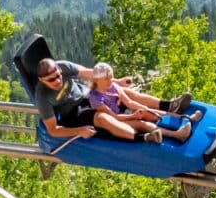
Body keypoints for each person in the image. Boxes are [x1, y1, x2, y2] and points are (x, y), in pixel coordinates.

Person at [32, 56, 195, 143]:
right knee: (102, 118)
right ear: (42, 80)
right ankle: (144, 137)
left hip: (87, 95)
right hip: (74, 114)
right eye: (52, 80)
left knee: (121, 91)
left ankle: (171, 106)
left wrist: (115, 82)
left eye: (58, 76)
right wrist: (79, 131)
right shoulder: (42, 97)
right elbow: (53, 130)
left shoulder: (63, 66)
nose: (58, 81)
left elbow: (91, 73)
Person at [89, 63, 202, 143]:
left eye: (111, 78)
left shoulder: (112, 86)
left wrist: (145, 109)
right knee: (141, 123)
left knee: (147, 112)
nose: (110, 81)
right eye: (107, 79)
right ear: (97, 80)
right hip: (114, 121)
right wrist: (133, 116)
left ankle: (185, 118)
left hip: (123, 112)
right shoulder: (96, 98)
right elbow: (114, 117)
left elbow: (129, 102)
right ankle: (177, 135)